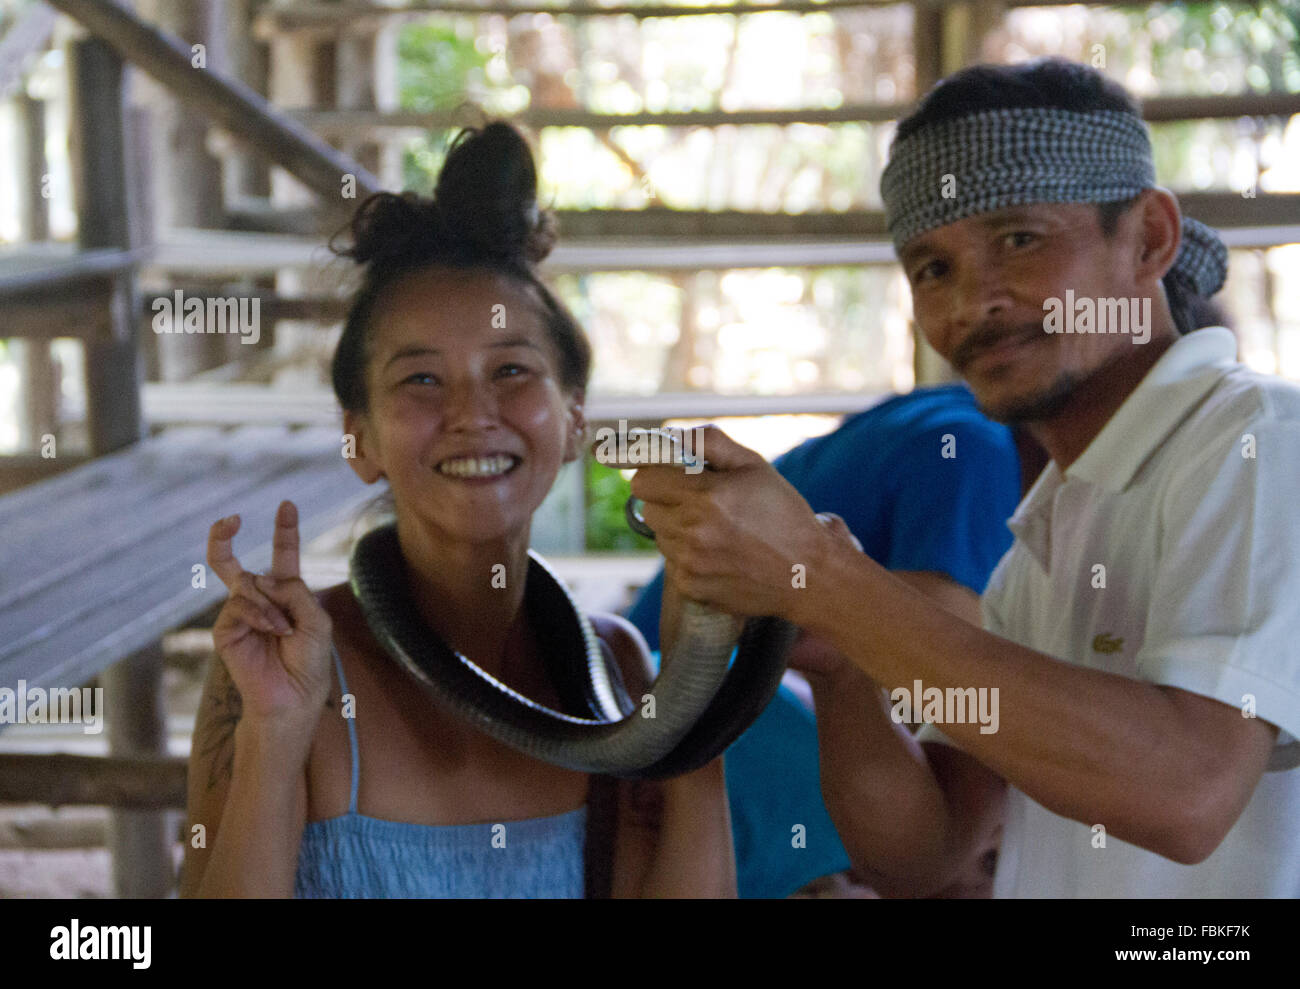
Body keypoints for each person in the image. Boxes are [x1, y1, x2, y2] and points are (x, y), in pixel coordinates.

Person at [628, 58, 1300, 897]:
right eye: (930, 269)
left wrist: (828, 576)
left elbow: (1189, 791)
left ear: (1149, 241)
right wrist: (839, 666)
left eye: (1018, 239)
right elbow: (923, 852)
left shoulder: (1260, 442)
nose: (970, 303)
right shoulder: (1046, 535)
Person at [179, 122, 735, 898]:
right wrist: (275, 735)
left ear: (573, 417)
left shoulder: (615, 677)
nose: (474, 411)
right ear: (360, 437)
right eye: (421, 381)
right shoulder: (288, 665)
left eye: (511, 369)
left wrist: (693, 704)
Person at [625, 383, 1029, 897]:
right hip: (702, 719)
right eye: (992, 866)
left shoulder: (925, 420)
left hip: (673, 708)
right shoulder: (975, 449)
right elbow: (942, 683)